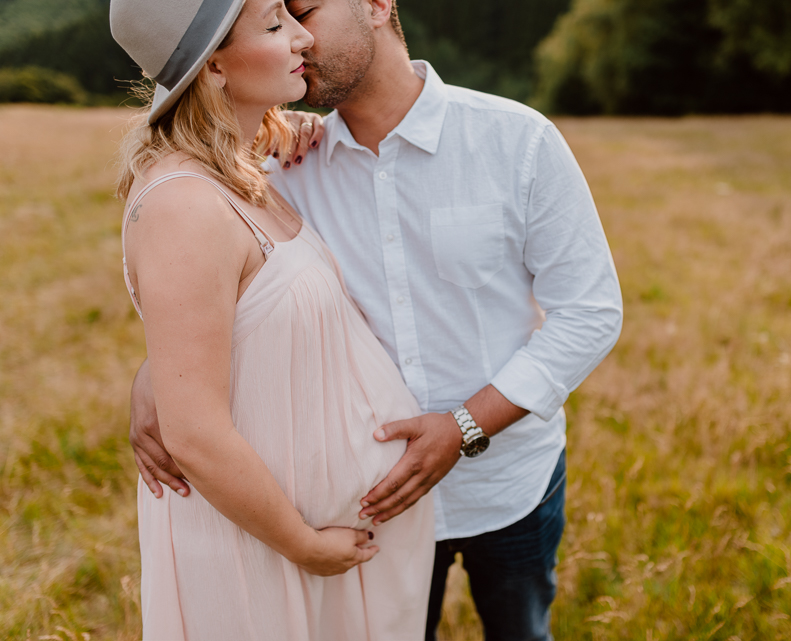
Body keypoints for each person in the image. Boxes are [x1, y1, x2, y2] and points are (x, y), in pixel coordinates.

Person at [129, 0, 624, 638]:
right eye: (281, 19)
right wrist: (155, 373)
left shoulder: (516, 139)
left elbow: (589, 313)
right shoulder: (280, 167)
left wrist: (463, 425)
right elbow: (229, 298)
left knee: (523, 630)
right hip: (362, 504)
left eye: (303, 9)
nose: (299, 36)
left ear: (377, 5)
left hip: (508, 481)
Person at [111, 0, 434, 638]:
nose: (301, 36)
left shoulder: (242, 170)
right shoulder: (183, 205)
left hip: (314, 546)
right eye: (273, 24)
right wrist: (303, 545)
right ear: (212, 71)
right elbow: (195, 433)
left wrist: (279, 128)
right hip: (262, 552)